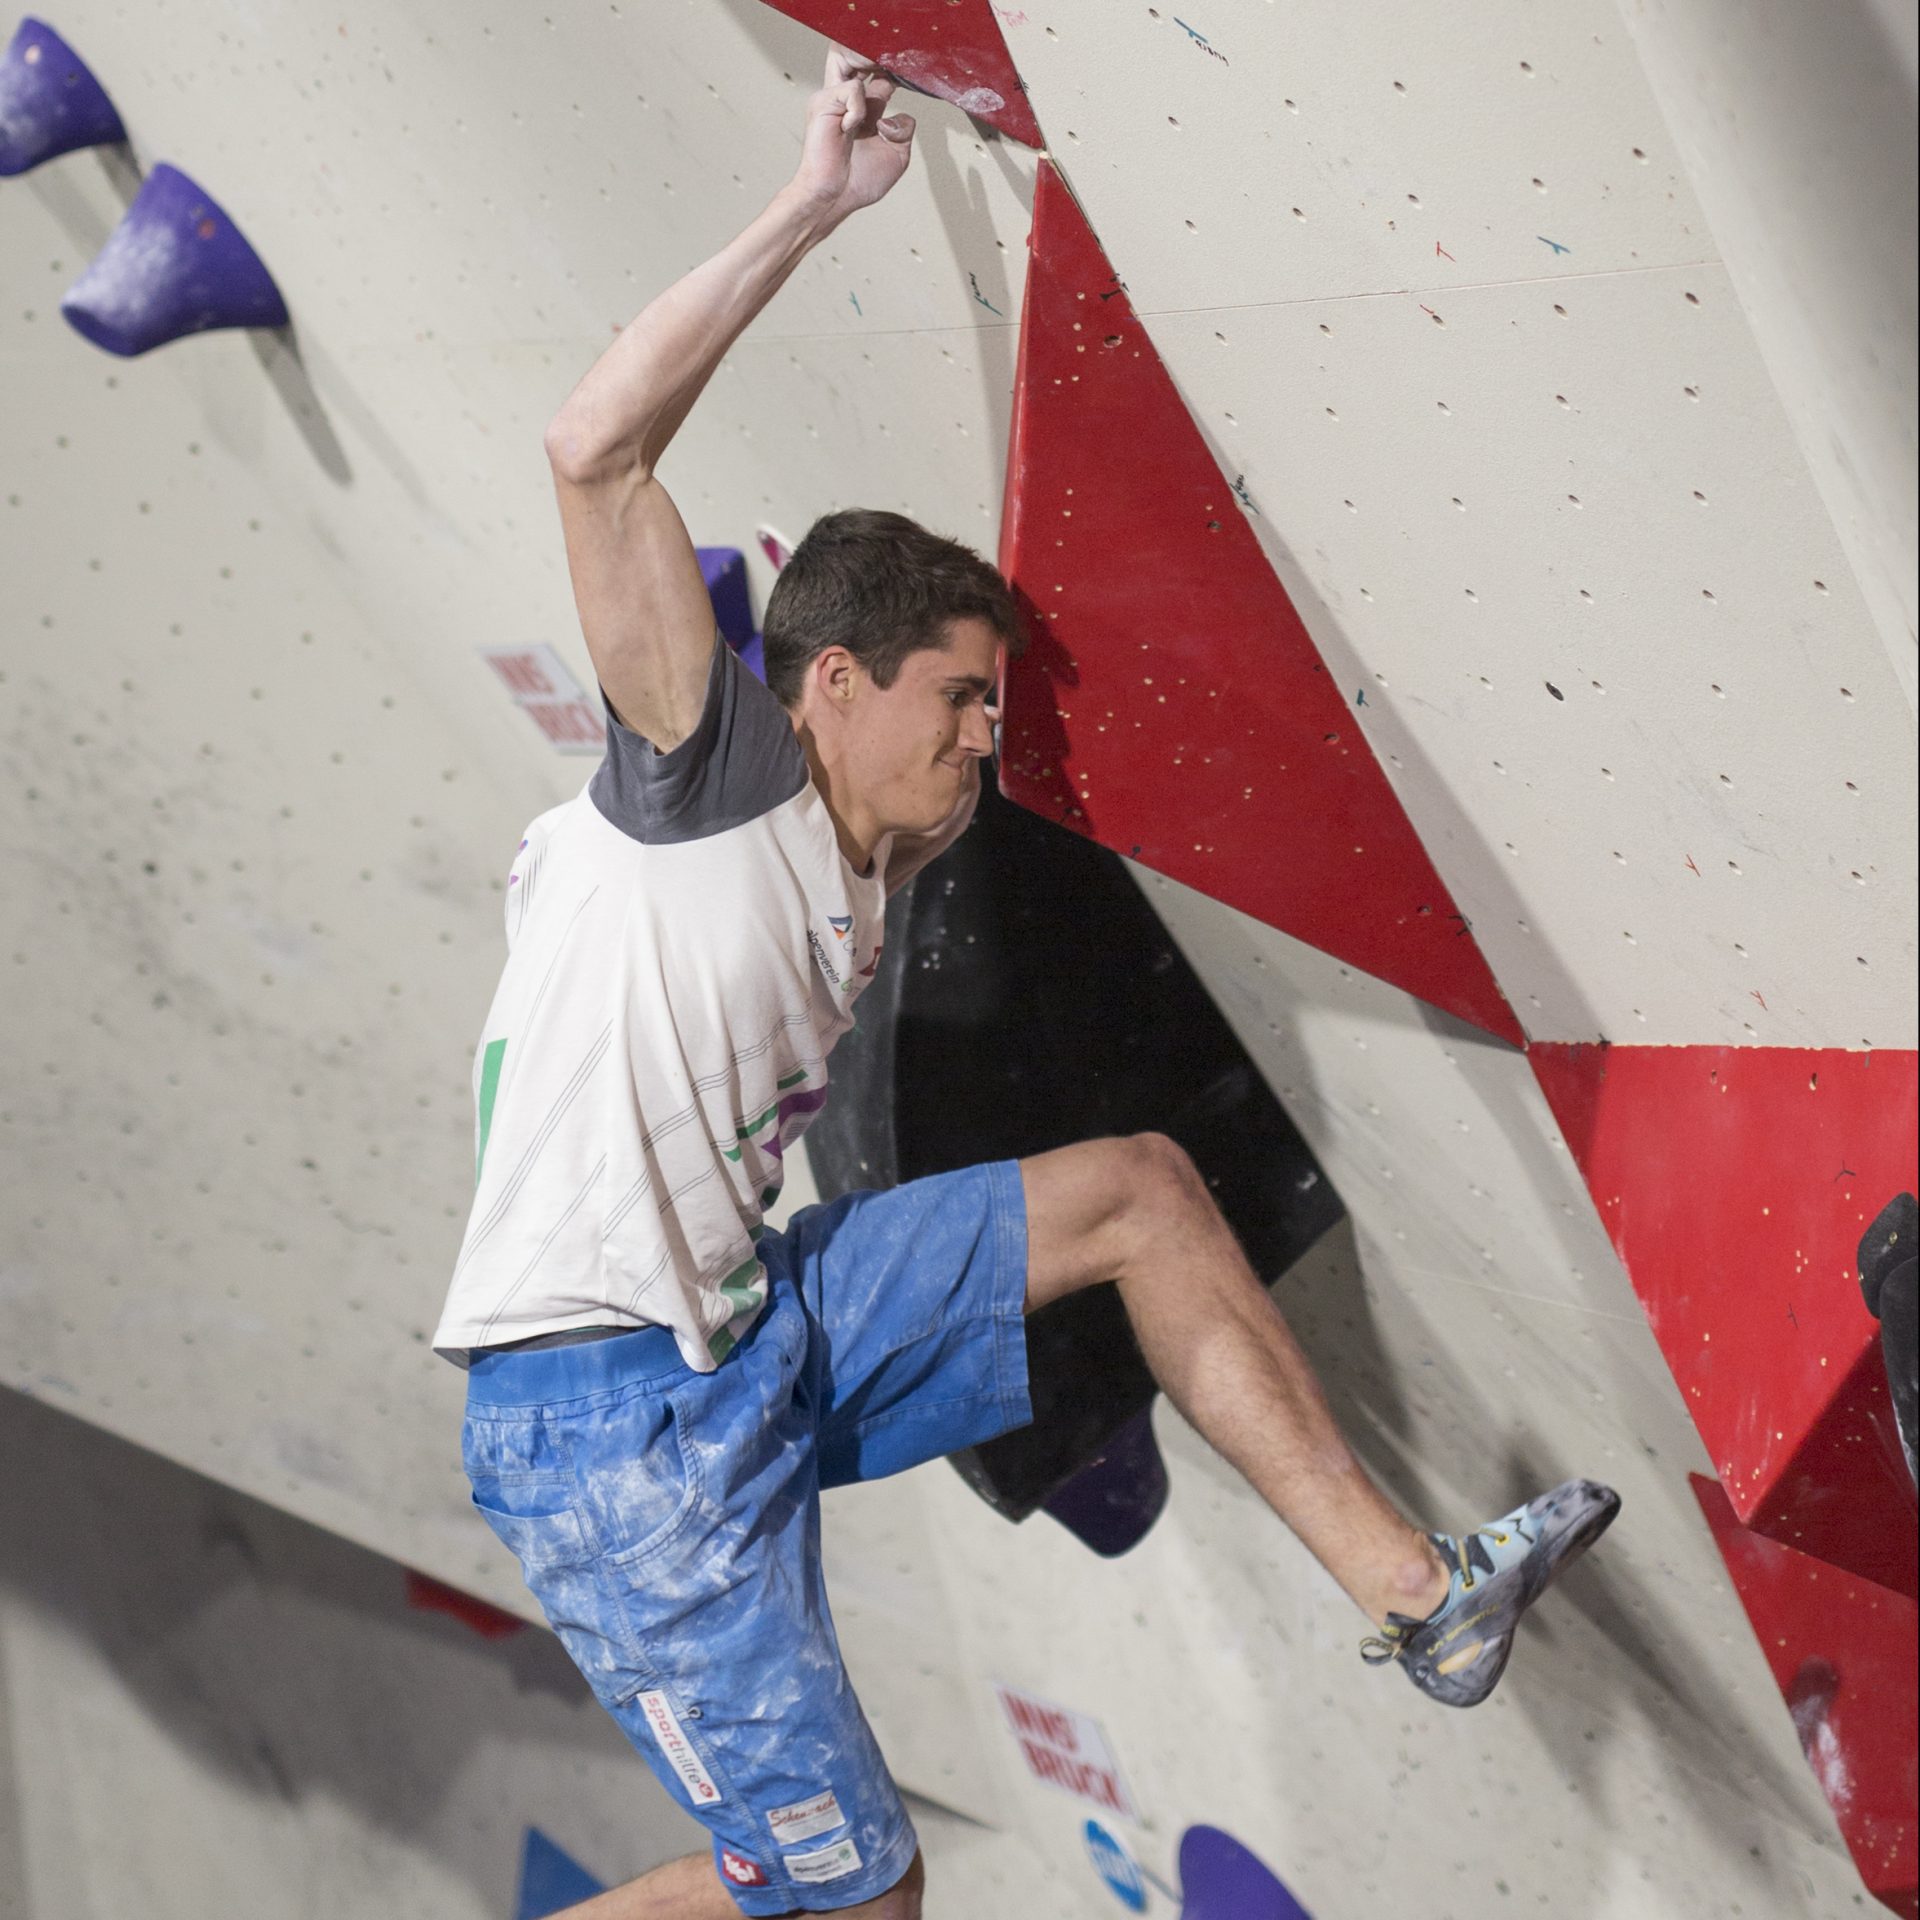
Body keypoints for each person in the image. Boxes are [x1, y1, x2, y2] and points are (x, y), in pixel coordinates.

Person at [431, 44, 1620, 1920]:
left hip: (748, 1336)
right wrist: (813, 206)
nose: (986, 744)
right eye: (958, 700)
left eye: (996, 703)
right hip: (606, 1430)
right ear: (830, 682)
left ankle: (1424, 1603)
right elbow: (593, 449)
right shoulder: (706, 776)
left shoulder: (866, 872)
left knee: (1142, 1193)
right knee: (851, 1902)